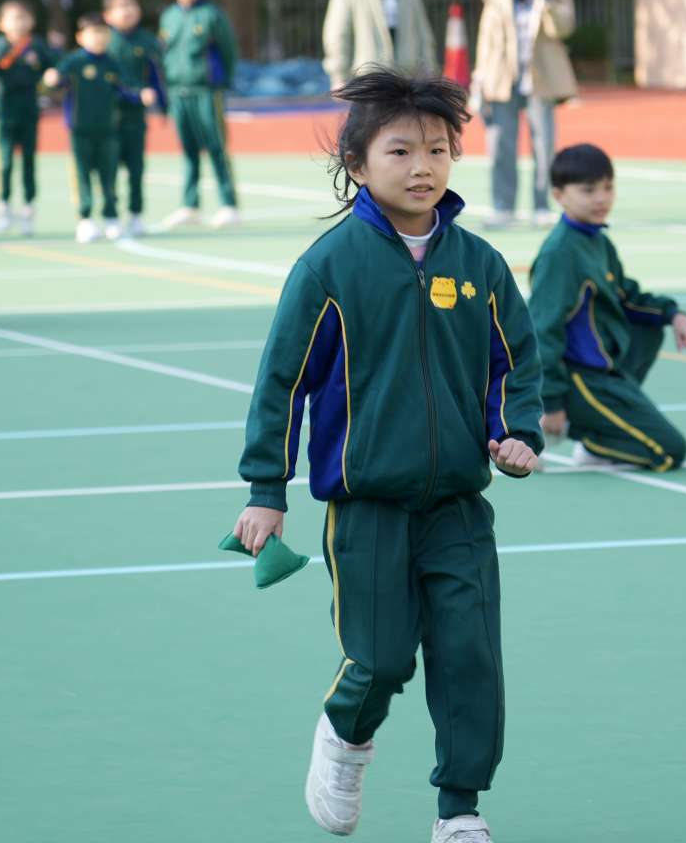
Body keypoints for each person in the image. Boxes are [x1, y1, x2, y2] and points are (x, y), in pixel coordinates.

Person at [232, 68, 542, 843]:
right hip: (366, 506)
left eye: (437, 150)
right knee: (379, 659)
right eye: (400, 151)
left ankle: (460, 811)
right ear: (358, 162)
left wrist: (517, 432)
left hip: (458, 507)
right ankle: (345, 734)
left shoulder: (480, 266)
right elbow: (283, 382)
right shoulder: (329, 267)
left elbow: (515, 362)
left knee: (470, 658)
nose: (422, 167)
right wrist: (267, 488)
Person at [529, 143, 686, 472]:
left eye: (608, 188)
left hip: (604, 370)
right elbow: (542, 331)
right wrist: (551, 402)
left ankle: (601, 430)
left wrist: (674, 314)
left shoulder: (597, 241)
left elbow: (628, 297)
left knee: (649, 325)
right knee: (669, 452)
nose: (601, 199)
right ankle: (582, 431)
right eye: (588, 190)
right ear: (559, 195)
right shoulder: (560, 253)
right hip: (579, 377)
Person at [473, 0, 576, 227]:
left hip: (540, 80)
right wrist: (480, 78)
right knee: (501, 145)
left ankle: (542, 206)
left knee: (544, 146)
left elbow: (563, 29)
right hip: (501, 78)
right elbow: (486, 39)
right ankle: (503, 206)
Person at [45, 14, 153, 243]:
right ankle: (85, 219)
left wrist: (141, 94)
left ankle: (111, 216)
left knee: (109, 174)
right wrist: (51, 79)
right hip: (80, 130)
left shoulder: (111, 63)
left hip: (108, 129)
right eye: (94, 33)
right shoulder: (73, 62)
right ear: (80, 37)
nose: (99, 38)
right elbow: (55, 82)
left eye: (103, 33)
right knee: (82, 174)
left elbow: (126, 87)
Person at [156, 0, 241, 229]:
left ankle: (228, 204)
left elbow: (228, 50)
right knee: (188, 149)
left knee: (216, 146)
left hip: (206, 91)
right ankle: (189, 205)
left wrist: (222, 81)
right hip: (177, 92)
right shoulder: (168, 16)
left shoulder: (212, 14)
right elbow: (164, 54)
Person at [0, 0, 54, 236]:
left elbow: (52, 69)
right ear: (2, 23)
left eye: (24, 18)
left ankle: (29, 209)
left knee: (29, 162)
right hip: (4, 113)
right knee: (5, 163)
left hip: (29, 112)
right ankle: (4, 206)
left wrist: (52, 76)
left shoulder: (37, 46)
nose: (19, 23)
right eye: (14, 18)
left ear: (32, 21)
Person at [103, 0, 165, 237]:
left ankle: (136, 213)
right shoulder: (103, 41)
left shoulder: (148, 41)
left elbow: (157, 75)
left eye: (131, 5)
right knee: (109, 167)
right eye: (120, 7)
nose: (127, 11)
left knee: (136, 167)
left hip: (135, 116)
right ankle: (110, 215)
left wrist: (162, 105)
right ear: (107, 15)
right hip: (108, 116)